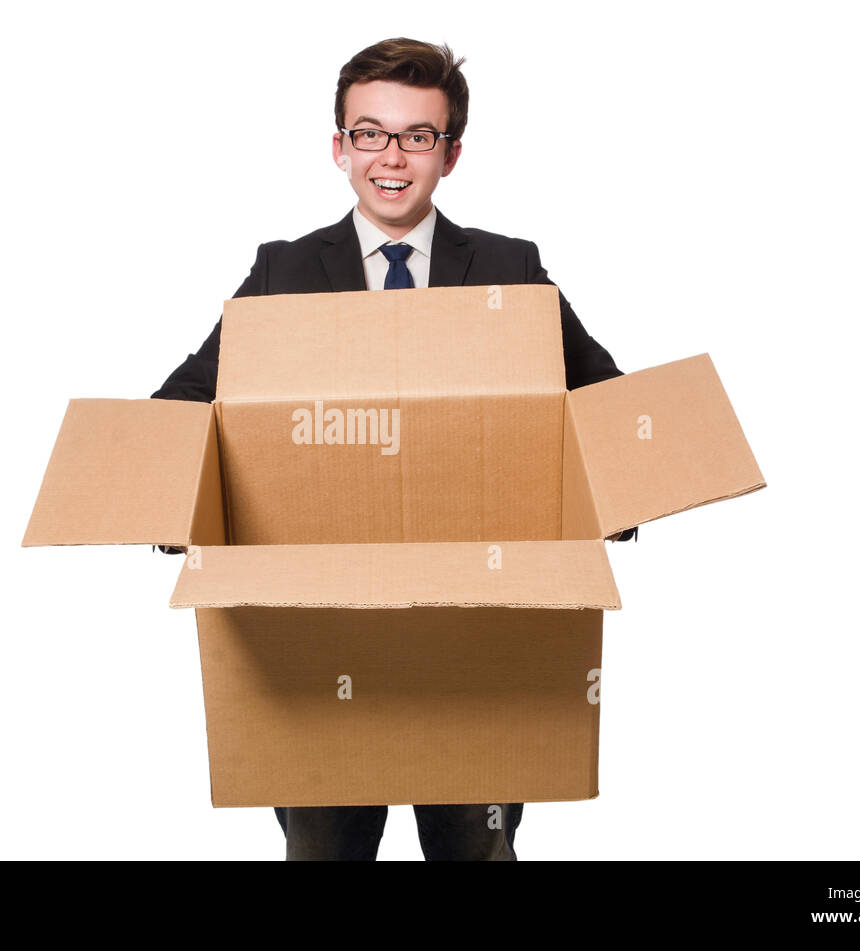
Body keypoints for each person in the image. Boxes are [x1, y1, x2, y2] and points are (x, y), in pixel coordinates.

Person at [152, 37, 634, 861]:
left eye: (417, 137)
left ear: (450, 154)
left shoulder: (511, 271)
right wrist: (171, 502)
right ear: (339, 148)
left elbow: (606, 404)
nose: (392, 158)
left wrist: (617, 496)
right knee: (324, 854)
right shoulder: (283, 273)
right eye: (370, 133)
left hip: (477, 637)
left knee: (477, 852)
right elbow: (186, 403)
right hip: (316, 639)